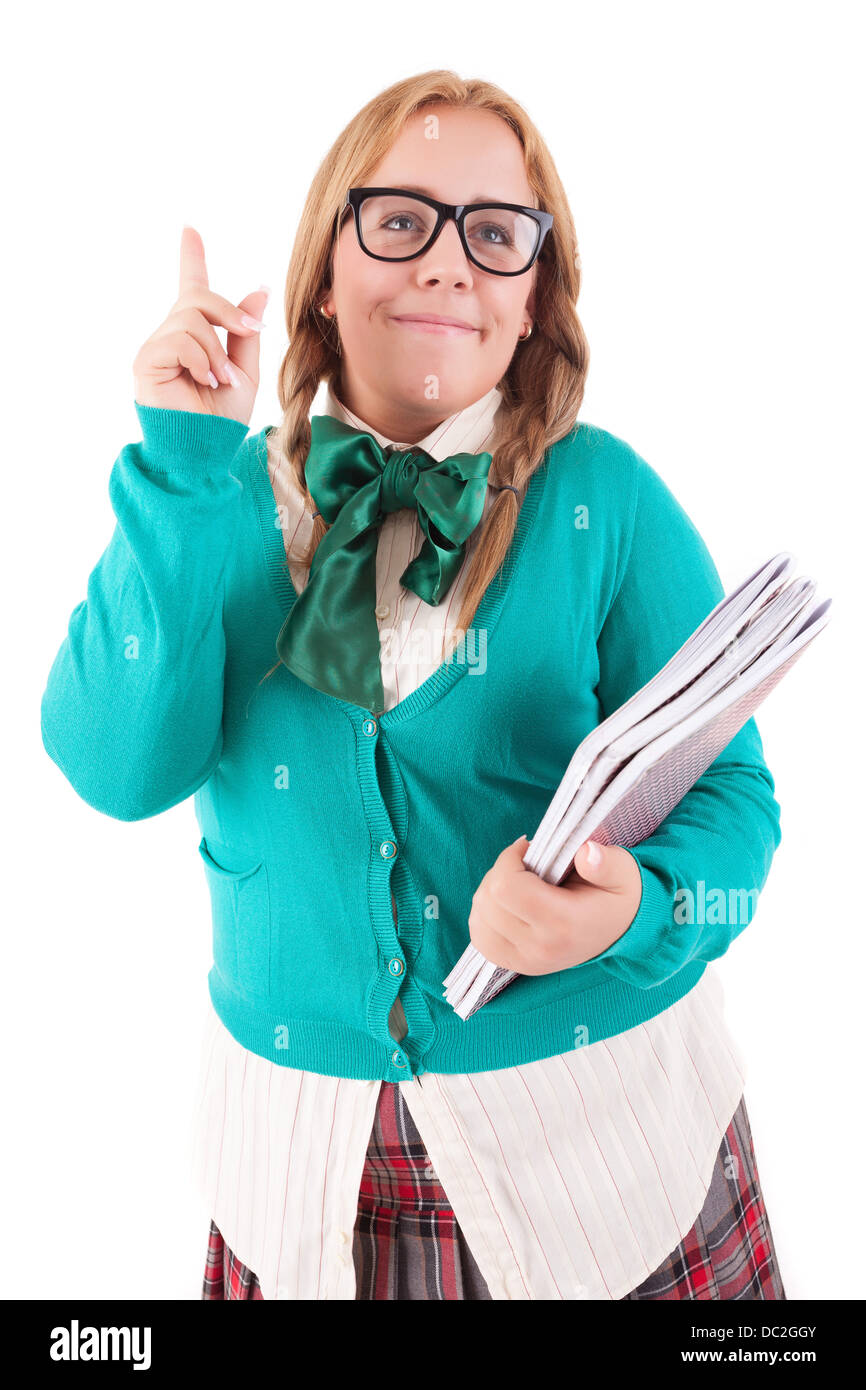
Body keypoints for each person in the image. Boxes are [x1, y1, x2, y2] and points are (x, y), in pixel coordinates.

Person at [41, 69, 786, 1301]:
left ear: (534, 296)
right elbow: (117, 768)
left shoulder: (606, 500)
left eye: (495, 235)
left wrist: (631, 911)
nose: (448, 264)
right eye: (399, 220)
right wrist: (179, 460)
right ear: (322, 271)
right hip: (298, 1179)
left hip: (606, 1164)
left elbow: (736, 806)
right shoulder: (214, 498)